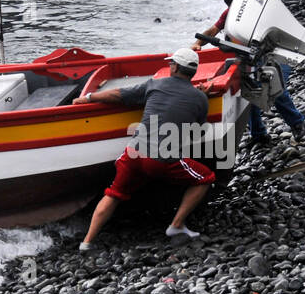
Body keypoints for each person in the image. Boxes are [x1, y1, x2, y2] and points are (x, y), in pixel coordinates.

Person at [76, 48, 218, 249]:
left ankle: (87, 242)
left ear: (175, 67)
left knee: (113, 194)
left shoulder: (155, 85)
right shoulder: (200, 99)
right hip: (161, 159)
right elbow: (196, 133)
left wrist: (88, 98)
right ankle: (176, 225)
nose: (169, 65)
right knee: (206, 178)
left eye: (171, 63)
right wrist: (200, 98)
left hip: (133, 153)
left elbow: (118, 94)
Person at [195, 0, 305, 145]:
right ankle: (258, 134)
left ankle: (297, 122)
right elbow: (213, 30)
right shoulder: (232, 14)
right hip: (254, 58)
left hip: (279, 54)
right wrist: (197, 43)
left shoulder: (261, 11)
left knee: (275, 90)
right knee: (249, 93)